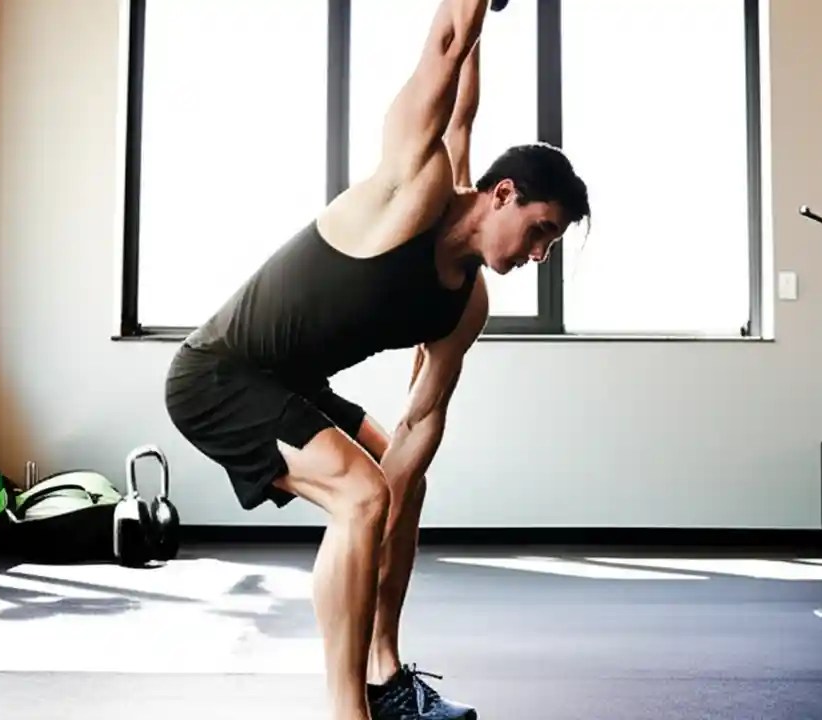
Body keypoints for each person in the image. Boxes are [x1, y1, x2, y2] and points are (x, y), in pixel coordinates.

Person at [164, 0, 589, 717]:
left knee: (398, 485)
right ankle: (348, 710)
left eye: (551, 244)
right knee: (361, 496)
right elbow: (448, 60)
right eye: (540, 231)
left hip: (292, 383)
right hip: (217, 375)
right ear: (503, 194)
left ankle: (383, 672)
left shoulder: (467, 303)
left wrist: (387, 508)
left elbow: (422, 420)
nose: (539, 254)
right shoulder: (410, 190)